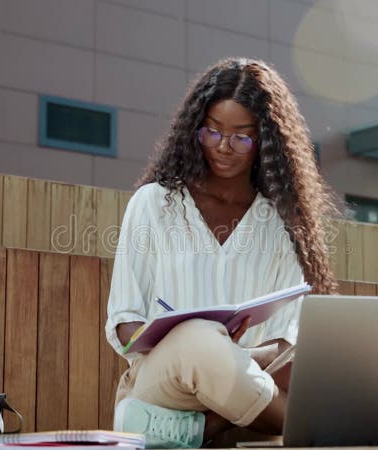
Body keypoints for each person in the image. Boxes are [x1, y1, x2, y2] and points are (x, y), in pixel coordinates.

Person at [105, 57, 340, 448]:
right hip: (163, 381)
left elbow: (285, 341)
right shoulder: (155, 204)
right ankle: (314, 429)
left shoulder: (281, 223)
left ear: (267, 140)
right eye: (211, 132)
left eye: (241, 137)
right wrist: (199, 344)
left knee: (329, 362)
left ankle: (206, 429)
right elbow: (124, 324)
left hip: (250, 376)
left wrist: (227, 359)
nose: (223, 148)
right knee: (198, 338)